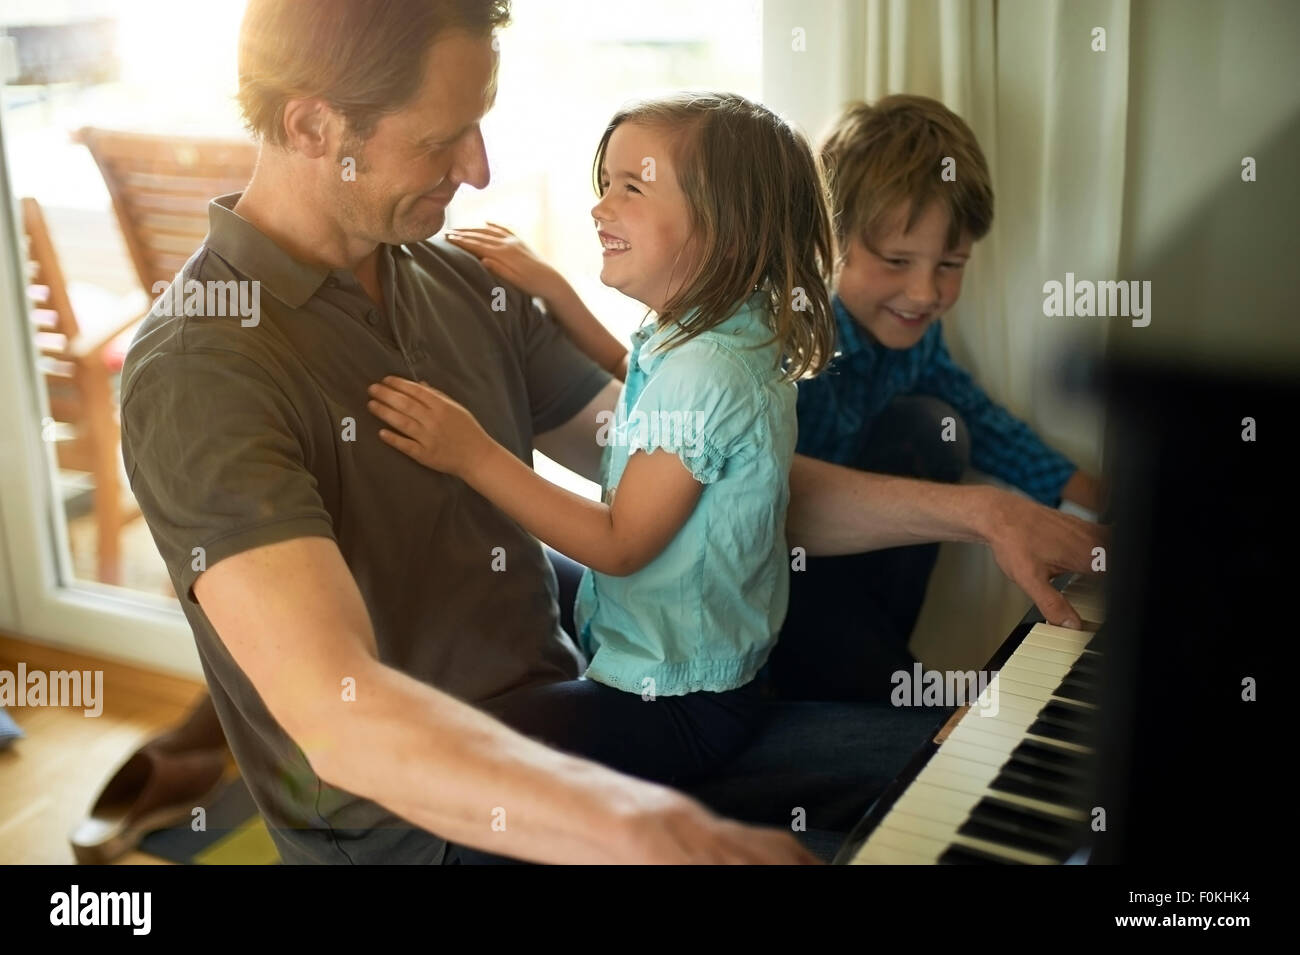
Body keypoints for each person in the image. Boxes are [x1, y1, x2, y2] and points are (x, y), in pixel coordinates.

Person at [117, 0, 1104, 865]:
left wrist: (981, 513)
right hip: (435, 831)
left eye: (481, 127)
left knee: (1027, 782)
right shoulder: (203, 366)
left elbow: (702, 476)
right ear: (311, 122)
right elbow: (344, 715)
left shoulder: (457, 280)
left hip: (601, 706)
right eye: (443, 138)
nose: (479, 167)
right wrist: (639, 830)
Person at [368, 91, 835, 790]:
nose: (600, 207)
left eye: (632, 189)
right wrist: (554, 287)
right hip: (697, 674)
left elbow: (618, 543)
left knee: (465, 746)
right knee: (512, 563)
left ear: (726, 231)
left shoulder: (708, 372)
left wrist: (471, 453)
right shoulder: (723, 330)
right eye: (606, 184)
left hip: (676, 707)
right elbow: (636, 368)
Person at [768, 95, 1109, 701]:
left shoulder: (913, 342)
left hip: (851, 571)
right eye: (897, 260)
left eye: (950, 264)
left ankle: (877, 668)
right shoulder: (786, 333)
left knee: (935, 424)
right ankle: (875, 687)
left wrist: (1100, 502)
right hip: (768, 579)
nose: (925, 292)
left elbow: (983, 418)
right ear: (830, 238)